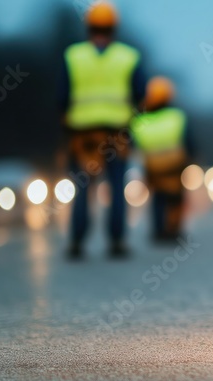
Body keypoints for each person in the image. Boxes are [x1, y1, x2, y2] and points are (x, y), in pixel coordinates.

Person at [59, 1, 147, 258]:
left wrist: (67, 128)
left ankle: (76, 242)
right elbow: (141, 95)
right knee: (117, 187)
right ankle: (117, 242)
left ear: (88, 26)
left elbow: (61, 98)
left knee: (83, 188)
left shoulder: (73, 55)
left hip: (82, 134)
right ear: (114, 27)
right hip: (116, 134)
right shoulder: (128, 57)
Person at [130, 77, 194, 242]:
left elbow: (134, 144)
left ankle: (158, 231)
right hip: (174, 164)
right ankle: (173, 230)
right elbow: (188, 140)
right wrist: (192, 156)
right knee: (174, 198)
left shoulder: (140, 120)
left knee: (157, 197)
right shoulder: (176, 116)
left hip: (152, 165)